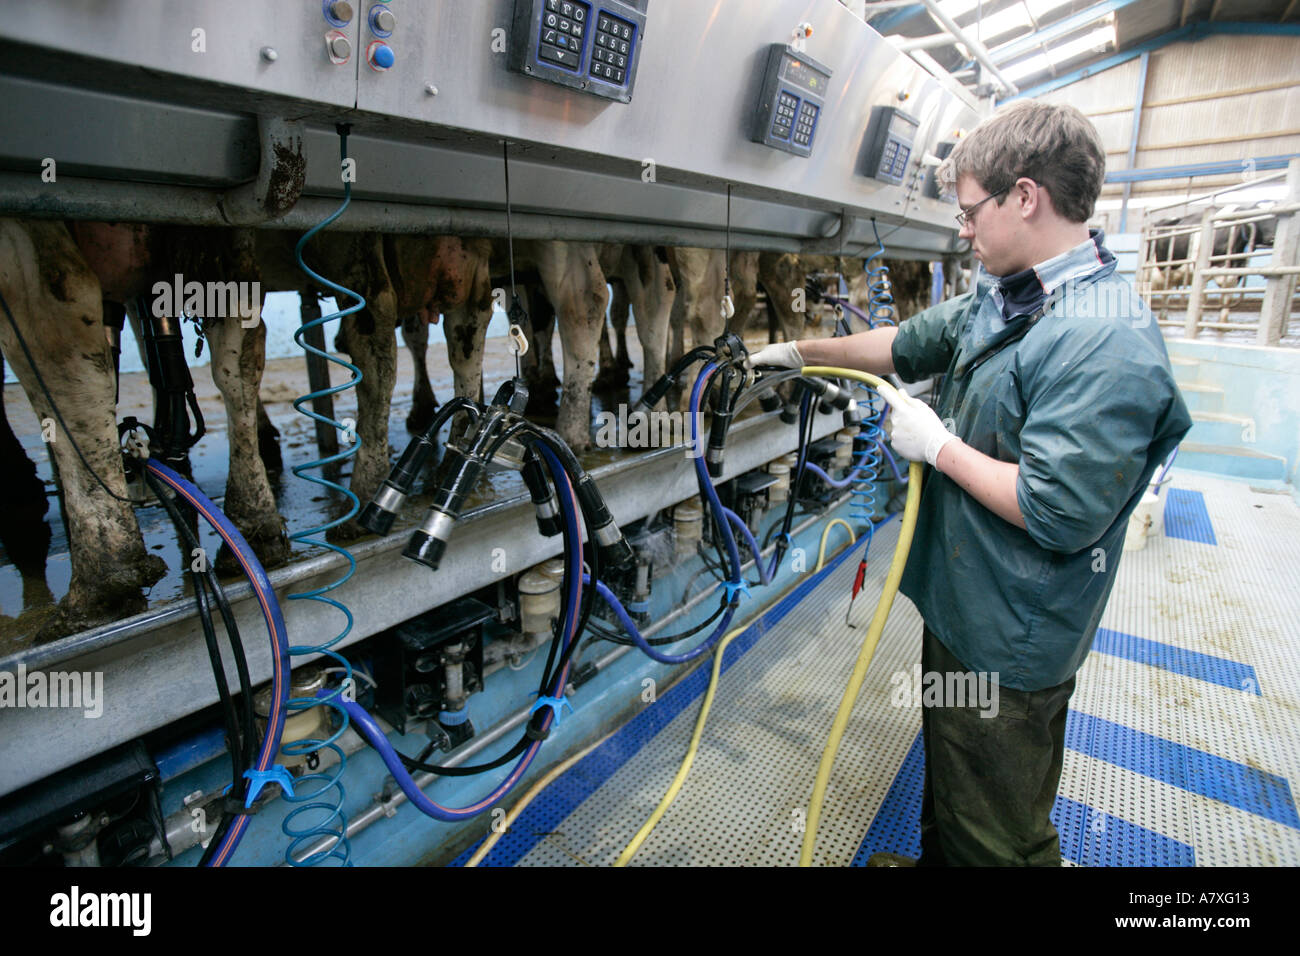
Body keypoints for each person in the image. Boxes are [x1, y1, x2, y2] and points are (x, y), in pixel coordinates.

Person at [750, 100, 1192, 866]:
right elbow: (907, 343)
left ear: (1026, 197)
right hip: (969, 603)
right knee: (955, 774)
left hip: (1012, 633)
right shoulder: (1013, 293)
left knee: (997, 829)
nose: (961, 230)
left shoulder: (1105, 339)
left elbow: (1056, 509)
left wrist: (941, 447)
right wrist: (797, 353)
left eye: (969, 211)